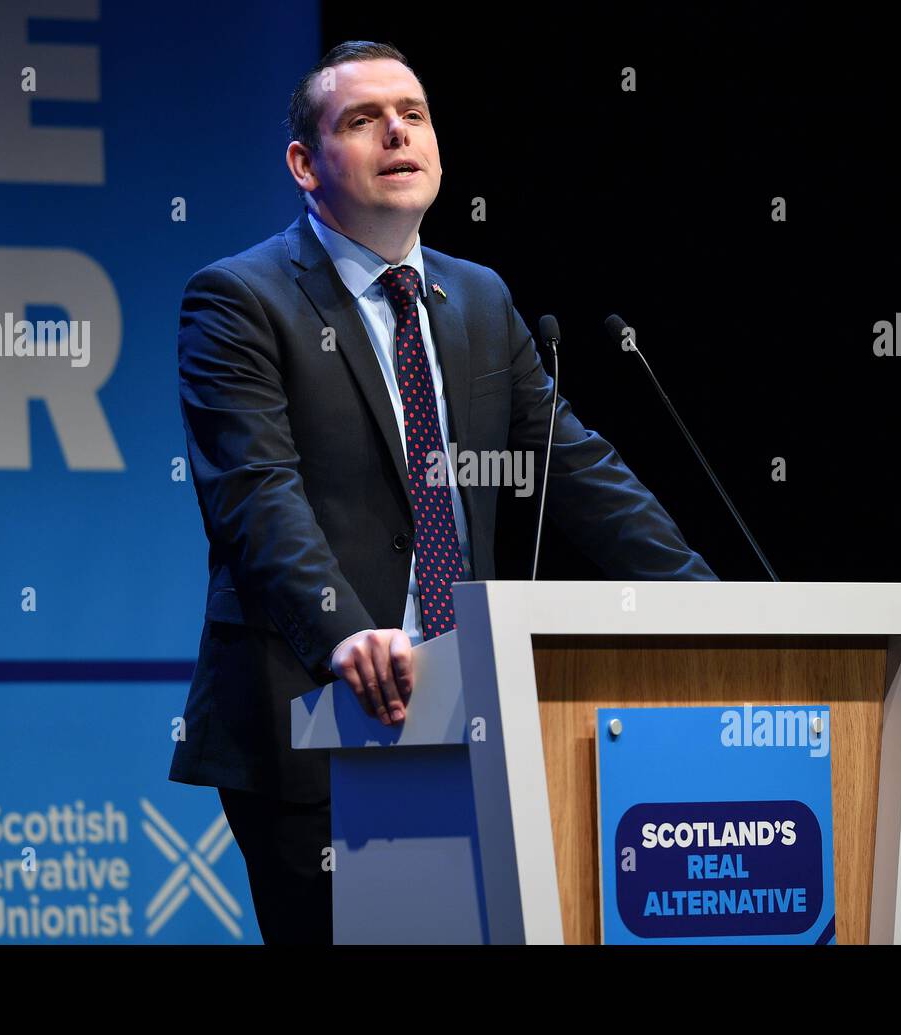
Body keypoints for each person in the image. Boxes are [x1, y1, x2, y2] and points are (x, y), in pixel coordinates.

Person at [169, 39, 717, 944]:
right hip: (318, 718)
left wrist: (705, 604)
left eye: (413, 115)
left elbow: (577, 471)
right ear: (305, 163)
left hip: (474, 715)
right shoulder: (238, 298)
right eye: (363, 119)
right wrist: (346, 631)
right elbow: (256, 494)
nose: (397, 133)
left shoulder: (478, 296)